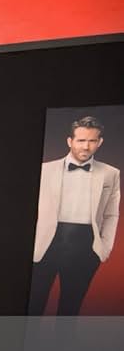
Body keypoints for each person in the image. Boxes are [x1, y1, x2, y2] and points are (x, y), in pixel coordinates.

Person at [30, 116, 120, 315]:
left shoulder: (111, 173)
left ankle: (62, 347)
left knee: (70, 310)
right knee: (32, 306)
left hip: (86, 245)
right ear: (70, 141)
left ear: (100, 142)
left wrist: (104, 247)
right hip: (46, 243)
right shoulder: (44, 169)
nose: (86, 147)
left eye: (92, 141)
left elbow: (111, 214)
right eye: (81, 140)